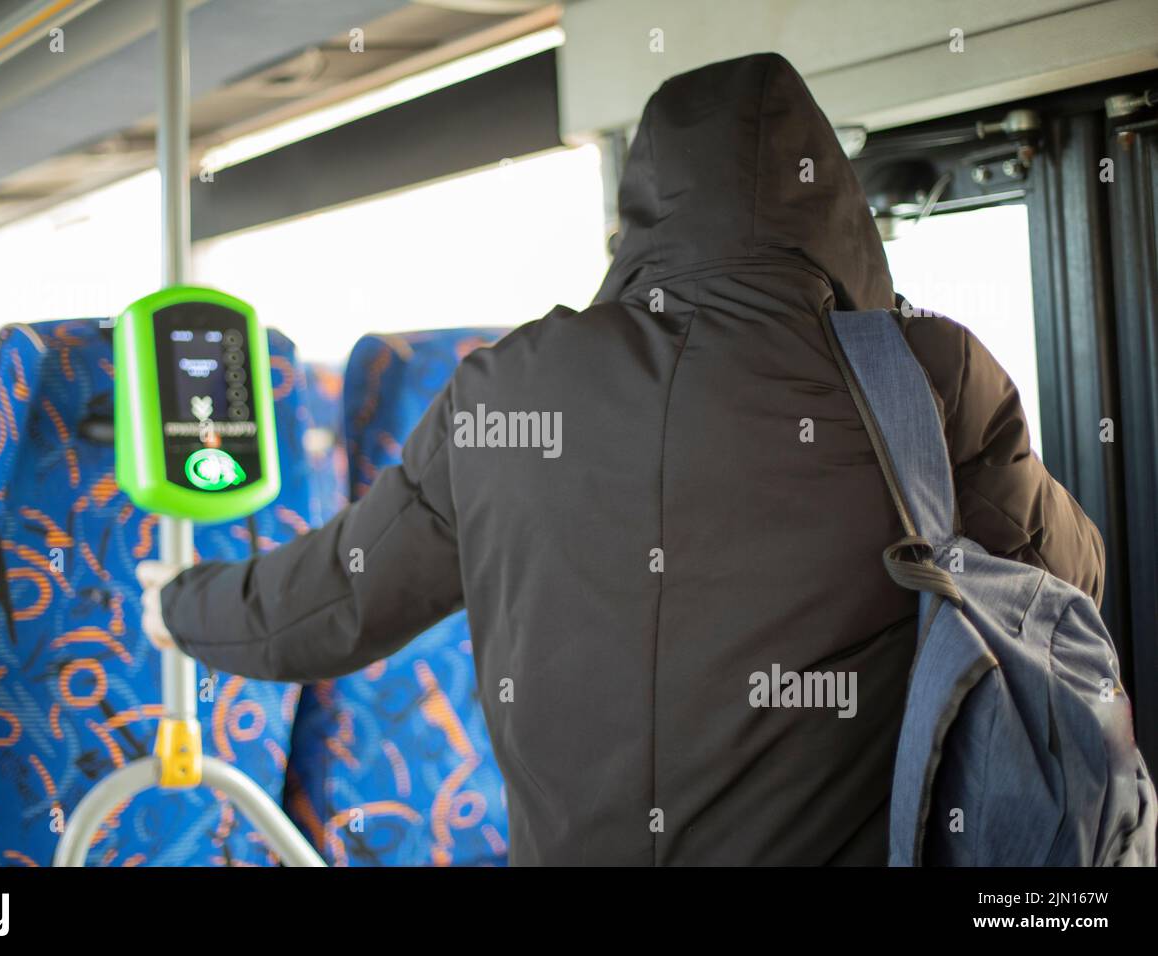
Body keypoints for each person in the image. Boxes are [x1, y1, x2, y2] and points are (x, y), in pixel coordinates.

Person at [137, 52, 1103, 865]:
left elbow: (335, 605)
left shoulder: (504, 387)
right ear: (838, 206)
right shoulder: (926, 374)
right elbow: (1066, 587)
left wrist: (179, 605)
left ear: (640, 205)